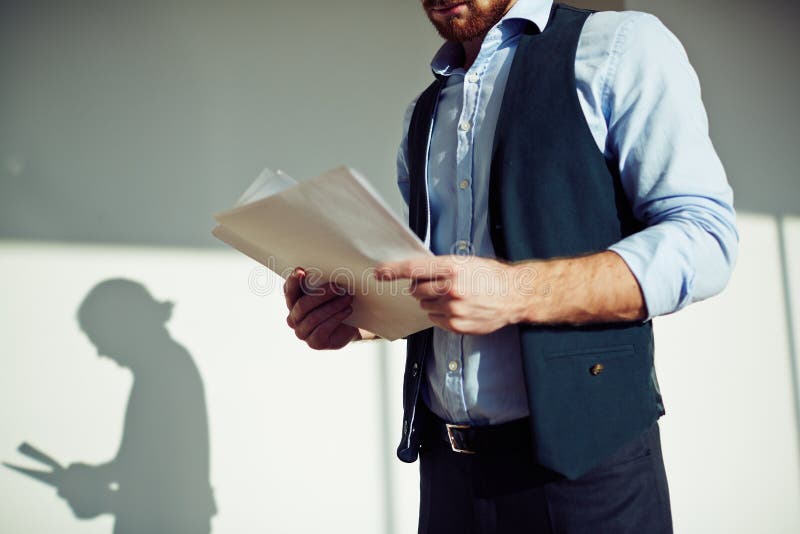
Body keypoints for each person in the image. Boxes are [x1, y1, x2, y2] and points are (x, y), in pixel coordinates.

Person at [283, 0, 738, 532]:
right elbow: (444, 281)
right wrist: (363, 315)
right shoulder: (425, 112)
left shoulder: (619, 46)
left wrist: (518, 291)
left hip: (588, 478)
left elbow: (705, 240)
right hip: (448, 477)